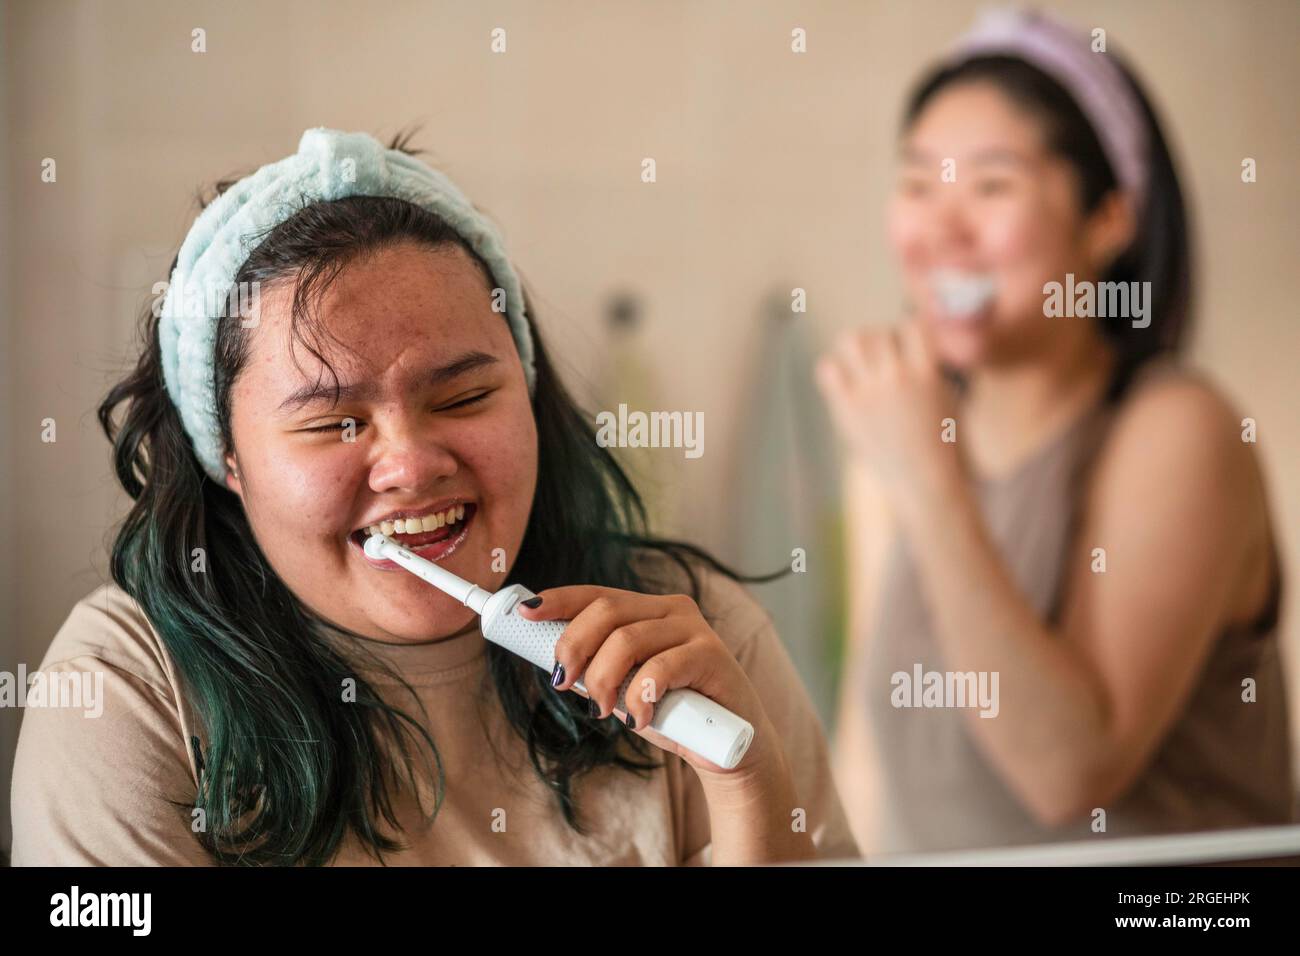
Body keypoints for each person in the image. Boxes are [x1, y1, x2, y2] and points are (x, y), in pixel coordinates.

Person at [11, 128, 859, 866]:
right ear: (229, 460)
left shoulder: (694, 643)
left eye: (461, 400)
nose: (412, 466)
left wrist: (749, 784)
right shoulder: (126, 695)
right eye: (335, 423)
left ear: (529, 395)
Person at [818, 10, 1292, 853]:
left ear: (1109, 219)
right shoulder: (906, 435)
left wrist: (928, 479)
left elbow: (1070, 772)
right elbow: (870, 756)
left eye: (991, 186)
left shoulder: (1179, 431)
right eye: (919, 185)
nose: (942, 229)